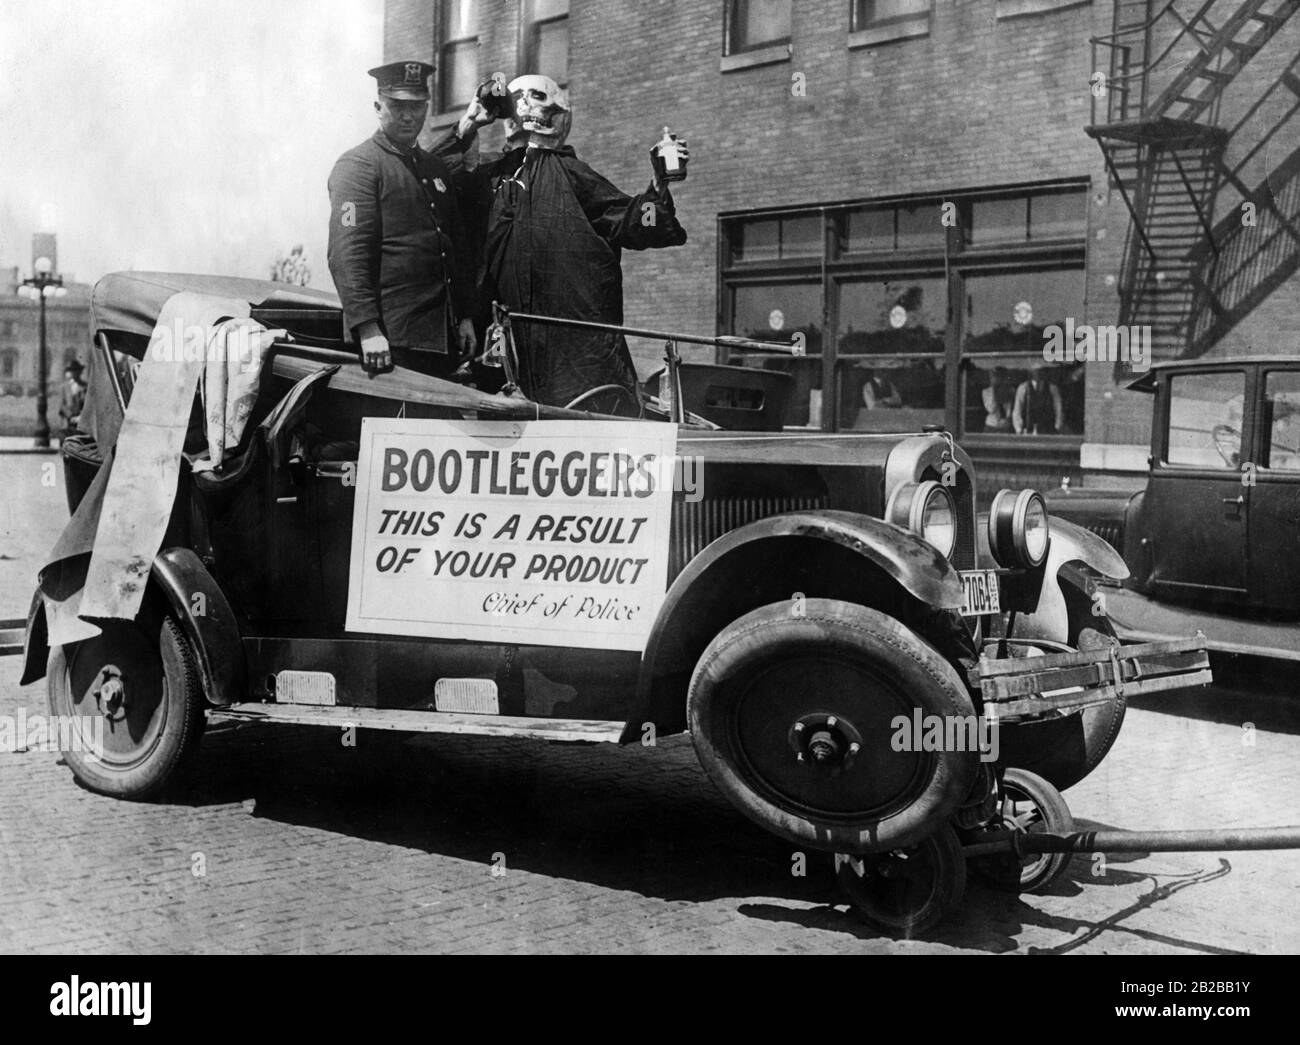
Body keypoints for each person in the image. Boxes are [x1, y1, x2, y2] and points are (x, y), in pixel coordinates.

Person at [448, 74, 688, 409]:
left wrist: (660, 186)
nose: (524, 104)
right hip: (501, 357)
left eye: (535, 96)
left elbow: (636, 221)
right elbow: (432, 182)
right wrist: (470, 123)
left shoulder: (573, 175)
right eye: (517, 97)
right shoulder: (487, 175)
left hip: (572, 364)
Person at [327, 61, 478, 376]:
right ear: (378, 106)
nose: (409, 116)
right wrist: (367, 329)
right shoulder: (359, 166)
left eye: (417, 106)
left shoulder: (435, 168)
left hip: (442, 340)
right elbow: (347, 254)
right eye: (397, 106)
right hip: (390, 344)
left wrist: (464, 316)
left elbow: (456, 248)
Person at [1013, 364, 1064, 435]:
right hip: (1028, 429)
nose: (1038, 373)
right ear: (1031, 371)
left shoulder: (1052, 388)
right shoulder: (1023, 388)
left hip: (1048, 430)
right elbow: (1017, 409)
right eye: (1035, 371)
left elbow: (1058, 409)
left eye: (1040, 370)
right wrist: (1018, 429)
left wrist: (1057, 426)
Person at [58, 359, 86, 438]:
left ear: (80, 372)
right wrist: (71, 416)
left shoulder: (85, 386)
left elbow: (88, 405)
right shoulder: (64, 387)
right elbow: (62, 405)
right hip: (67, 423)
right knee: (65, 444)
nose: (74, 373)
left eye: (76, 370)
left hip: (80, 423)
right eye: (72, 370)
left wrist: (80, 417)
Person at [982, 366, 1013, 432]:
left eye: (999, 376)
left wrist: (1007, 419)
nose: (996, 379)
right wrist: (994, 391)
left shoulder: (1008, 391)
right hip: (991, 425)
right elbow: (991, 409)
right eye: (994, 376)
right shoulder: (986, 392)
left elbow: (1009, 409)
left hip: (1005, 426)